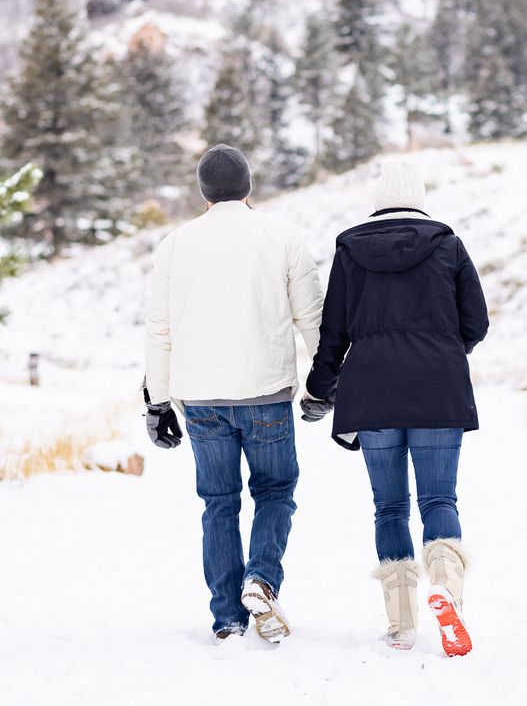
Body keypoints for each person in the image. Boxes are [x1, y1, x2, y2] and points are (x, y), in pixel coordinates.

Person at [302, 157, 488, 657]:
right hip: (437, 388)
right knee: (439, 500)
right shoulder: (447, 244)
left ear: (377, 200)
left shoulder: (350, 249)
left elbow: (333, 331)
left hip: (372, 389)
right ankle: (447, 587)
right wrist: (445, 349)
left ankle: (402, 623)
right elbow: (477, 321)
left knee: (389, 506)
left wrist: (320, 388)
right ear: (420, 199)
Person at [144, 144, 323, 644]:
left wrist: (157, 402)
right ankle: (261, 578)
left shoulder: (175, 245)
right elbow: (312, 318)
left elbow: (159, 330)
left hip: (200, 398)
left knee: (218, 502)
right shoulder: (283, 237)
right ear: (248, 187)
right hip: (266, 393)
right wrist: (323, 384)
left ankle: (227, 618)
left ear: (203, 193)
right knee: (275, 491)